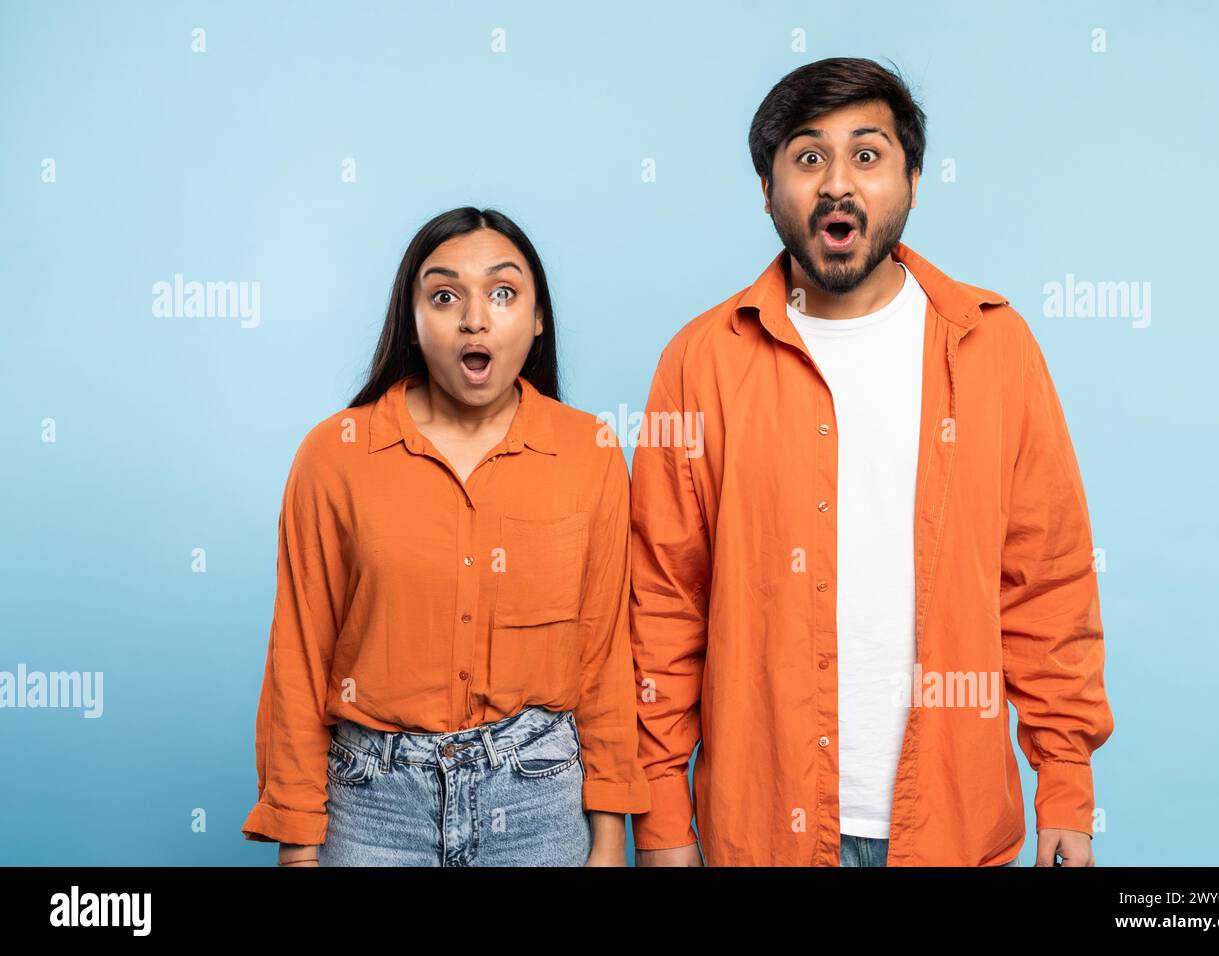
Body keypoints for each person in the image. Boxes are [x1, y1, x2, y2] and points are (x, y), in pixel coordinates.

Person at [628, 57, 1114, 867]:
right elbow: (664, 600)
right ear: (767, 189)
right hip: (759, 826)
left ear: (913, 180)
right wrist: (662, 813)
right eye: (808, 157)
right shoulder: (701, 362)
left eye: (867, 154)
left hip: (954, 827)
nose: (837, 183)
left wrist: (1064, 778)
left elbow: (1048, 576)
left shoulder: (995, 348)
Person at [240, 207, 649, 866]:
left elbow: (603, 659)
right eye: (444, 295)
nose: (475, 318)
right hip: (373, 805)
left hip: (538, 801)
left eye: (504, 293)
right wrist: (296, 842)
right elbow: (298, 657)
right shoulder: (334, 454)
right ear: (413, 322)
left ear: (538, 318)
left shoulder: (590, 451)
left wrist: (608, 837)